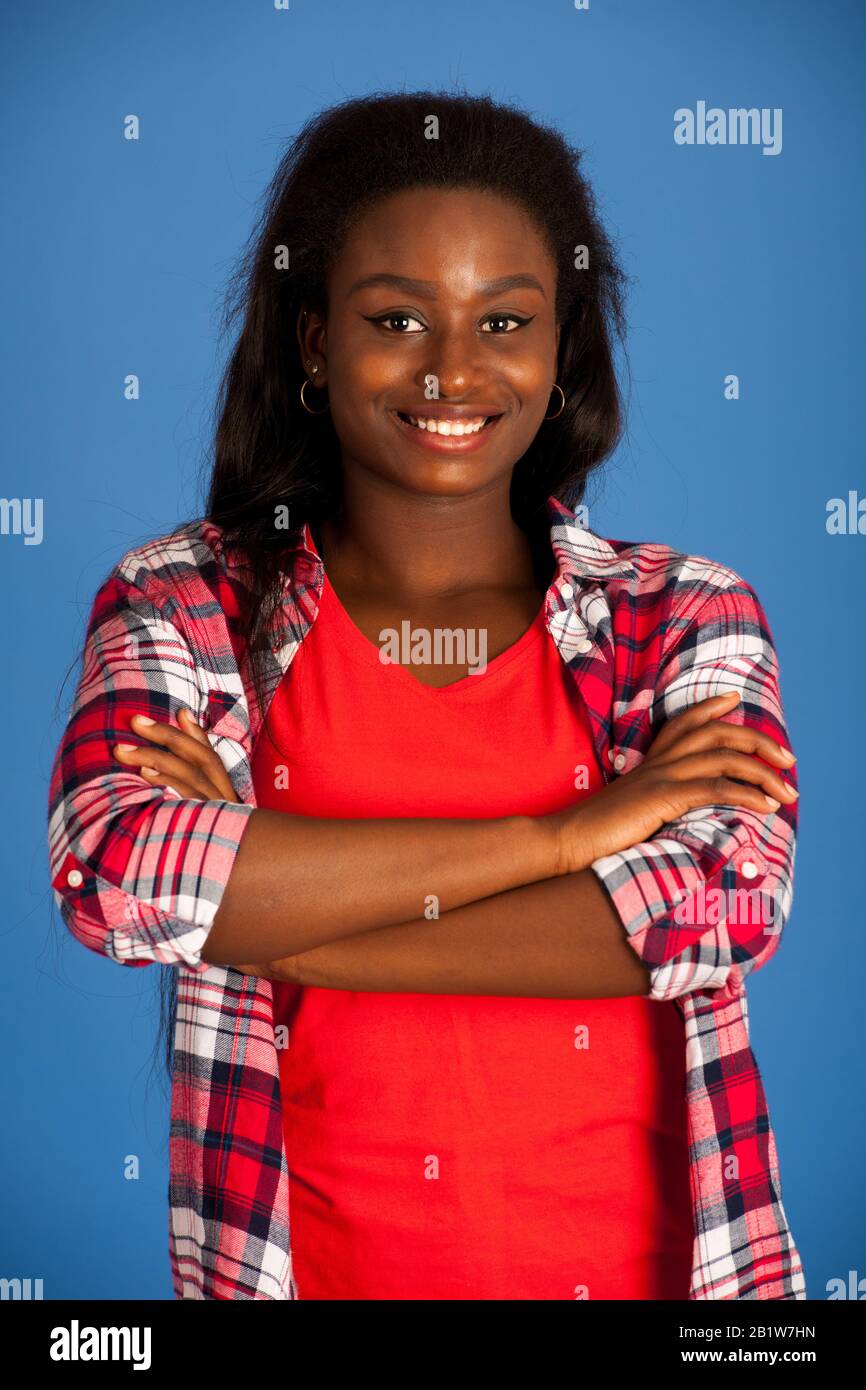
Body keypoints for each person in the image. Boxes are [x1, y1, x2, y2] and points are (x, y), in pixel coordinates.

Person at [47, 90, 804, 1301]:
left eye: (504, 320)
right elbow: (121, 876)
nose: (453, 370)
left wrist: (272, 911)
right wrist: (558, 839)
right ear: (312, 342)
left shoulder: (682, 615)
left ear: (559, 348)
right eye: (395, 317)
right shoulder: (187, 604)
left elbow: (711, 911)